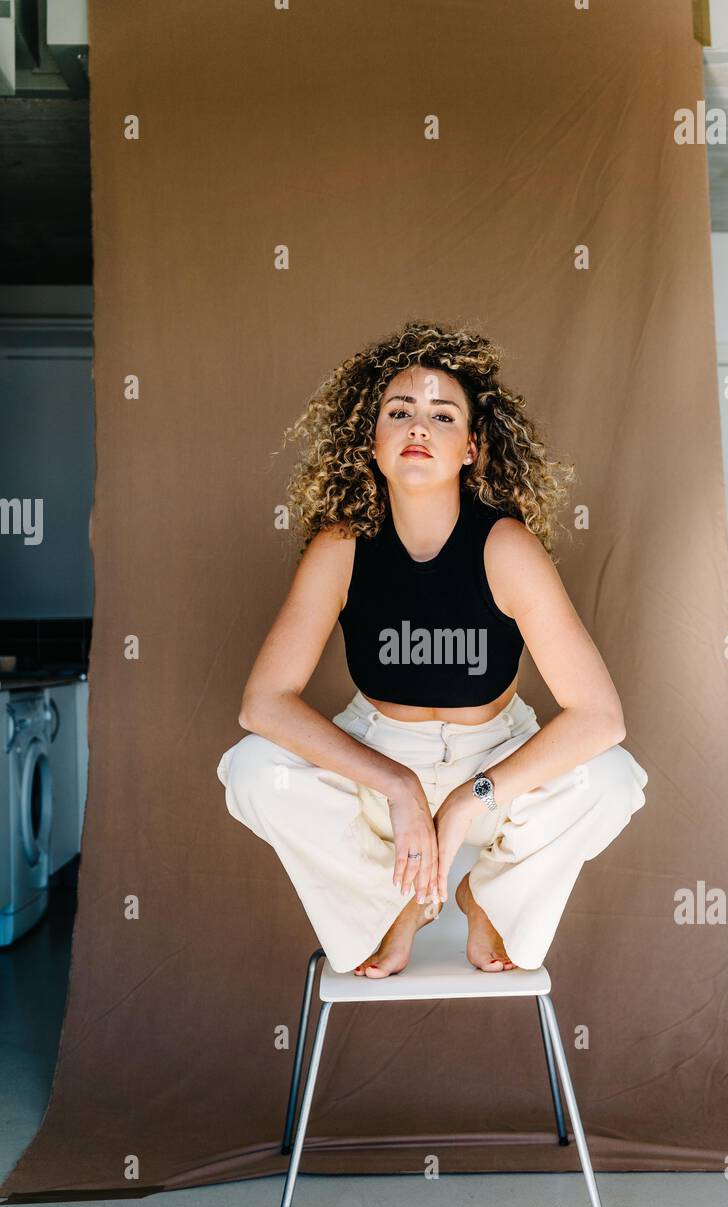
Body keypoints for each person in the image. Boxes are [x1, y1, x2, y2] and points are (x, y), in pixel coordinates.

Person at [216, 320, 648, 978]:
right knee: (252, 773)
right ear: (373, 440)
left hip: (495, 762)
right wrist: (395, 785)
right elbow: (264, 705)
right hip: (378, 754)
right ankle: (394, 907)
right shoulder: (340, 547)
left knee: (612, 780)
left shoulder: (506, 547)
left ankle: (486, 899)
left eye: (442, 415)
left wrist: (470, 797)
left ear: (470, 447)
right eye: (400, 411)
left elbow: (600, 717)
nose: (419, 427)